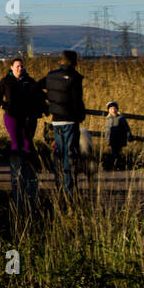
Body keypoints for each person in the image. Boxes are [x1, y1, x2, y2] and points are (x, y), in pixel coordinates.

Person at [0, 57, 45, 209]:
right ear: (11, 67)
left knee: (28, 143)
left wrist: (40, 108)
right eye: (17, 66)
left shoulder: (29, 81)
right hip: (11, 115)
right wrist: (3, 105)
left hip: (27, 116)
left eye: (21, 66)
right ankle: (17, 173)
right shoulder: (6, 81)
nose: (19, 68)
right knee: (16, 142)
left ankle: (30, 172)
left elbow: (39, 95)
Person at [39, 50, 86, 193]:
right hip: (70, 120)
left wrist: (49, 101)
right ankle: (68, 187)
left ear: (61, 61)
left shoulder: (51, 76)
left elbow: (34, 87)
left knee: (58, 152)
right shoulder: (74, 78)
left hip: (56, 120)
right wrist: (80, 115)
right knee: (69, 153)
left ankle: (59, 183)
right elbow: (77, 101)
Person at [102, 100, 131, 171]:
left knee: (116, 152)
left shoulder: (121, 118)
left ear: (117, 109)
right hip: (111, 139)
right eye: (111, 109)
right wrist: (106, 137)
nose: (113, 110)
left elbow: (126, 128)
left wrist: (129, 135)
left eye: (114, 108)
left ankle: (118, 165)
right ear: (109, 110)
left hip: (119, 138)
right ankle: (116, 165)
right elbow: (107, 130)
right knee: (113, 152)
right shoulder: (108, 119)